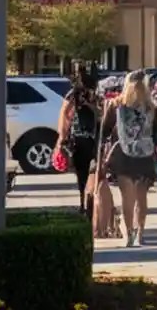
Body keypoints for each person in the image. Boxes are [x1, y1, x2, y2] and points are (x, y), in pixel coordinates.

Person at [99, 70, 157, 248]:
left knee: (127, 197)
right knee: (141, 197)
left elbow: (104, 133)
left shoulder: (116, 105)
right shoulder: (151, 107)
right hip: (146, 156)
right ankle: (141, 232)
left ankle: (129, 233)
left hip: (123, 156)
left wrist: (100, 159)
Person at [56, 63, 101, 217]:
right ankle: (90, 201)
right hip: (93, 138)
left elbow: (64, 115)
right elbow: (101, 114)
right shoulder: (93, 94)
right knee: (94, 171)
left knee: (81, 173)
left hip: (78, 139)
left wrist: (62, 137)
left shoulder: (72, 95)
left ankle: (84, 201)